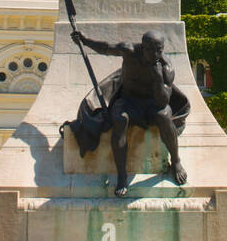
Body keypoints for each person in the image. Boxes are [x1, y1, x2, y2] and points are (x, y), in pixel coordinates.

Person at [63, 29, 188, 197]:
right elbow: (106, 48)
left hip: (153, 104)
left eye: (160, 50)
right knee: (120, 119)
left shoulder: (166, 67)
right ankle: (122, 174)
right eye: (151, 50)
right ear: (143, 47)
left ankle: (177, 161)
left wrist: (157, 77)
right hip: (129, 101)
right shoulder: (129, 51)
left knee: (165, 115)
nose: (156, 54)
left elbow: (163, 101)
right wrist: (84, 41)